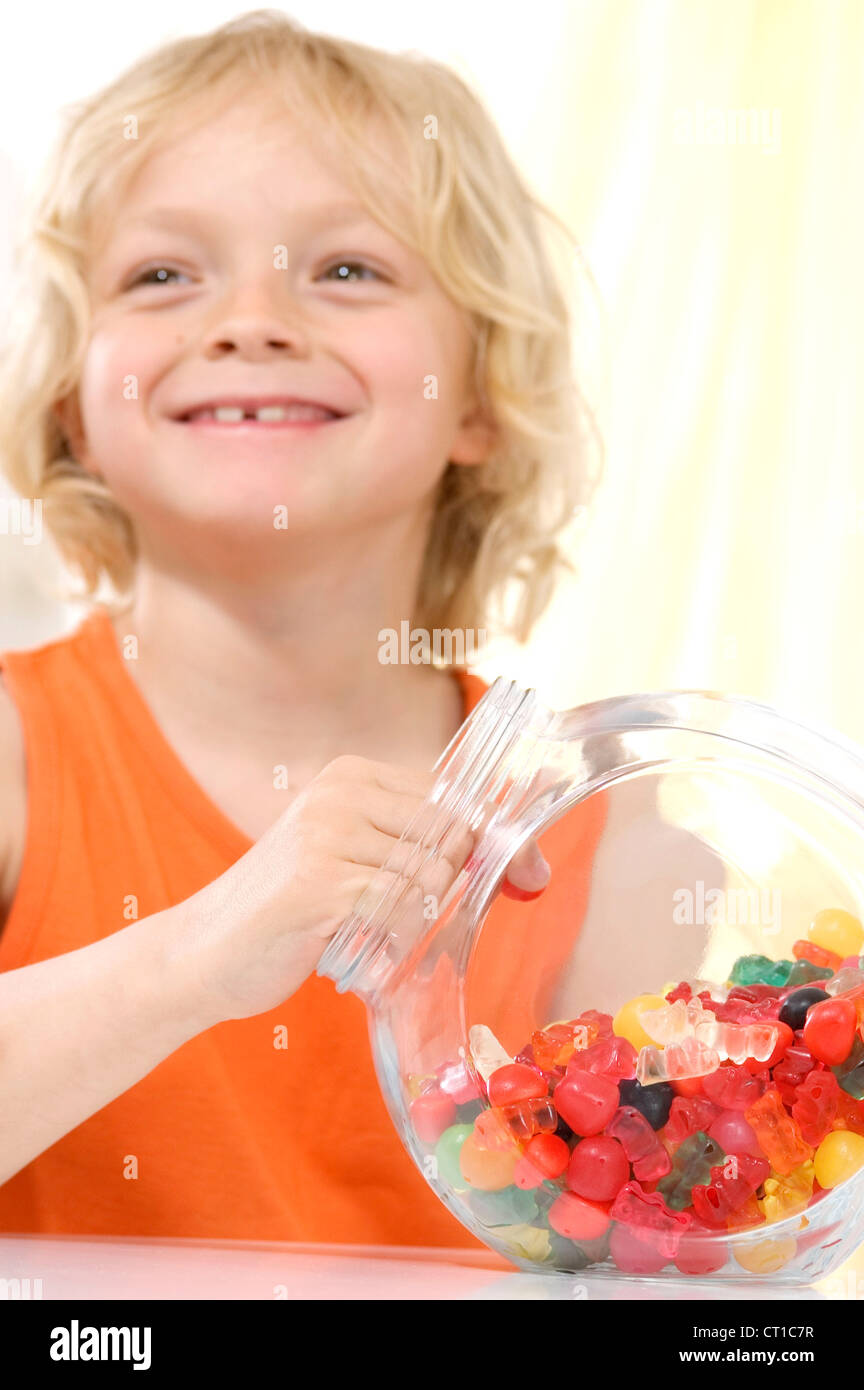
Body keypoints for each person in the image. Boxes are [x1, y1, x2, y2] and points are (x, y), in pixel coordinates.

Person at [0, 11, 606, 1246]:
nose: (251, 319)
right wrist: (191, 959)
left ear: (478, 394)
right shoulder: (13, 760)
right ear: (71, 404)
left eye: (346, 270)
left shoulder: (612, 846)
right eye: (163, 275)